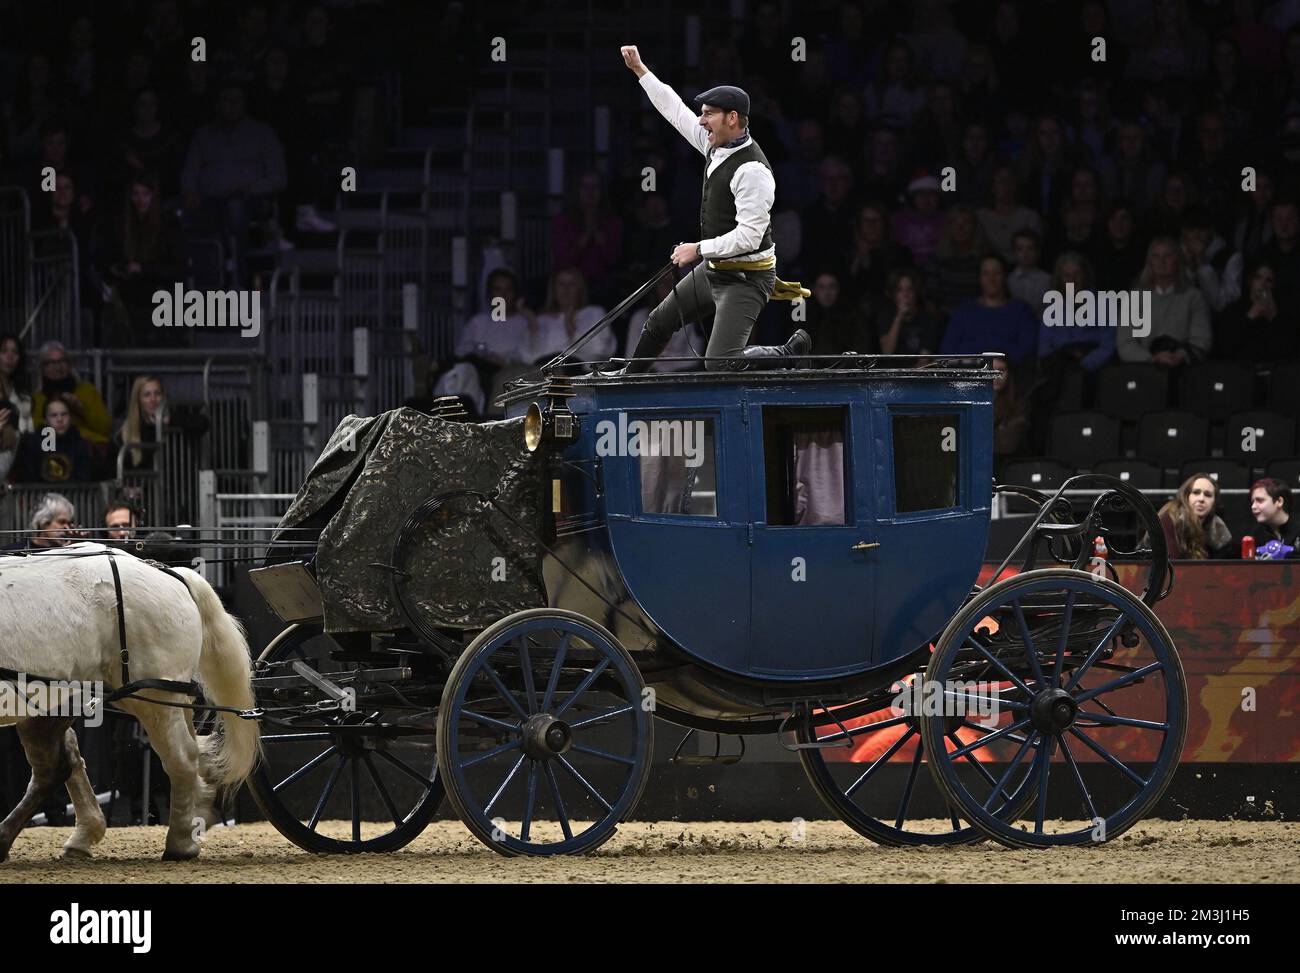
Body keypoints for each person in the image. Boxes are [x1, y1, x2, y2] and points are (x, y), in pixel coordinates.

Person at [614, 45, 809, 372]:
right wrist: (640, 71)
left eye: (708, 114)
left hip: (747, 277)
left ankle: (788, 353)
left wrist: (698, 249)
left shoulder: (752, 172)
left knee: (718, 364)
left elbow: (748, 237)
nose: (701, 121)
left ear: (732, 119)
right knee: (658, 322)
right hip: (717, 269)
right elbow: (675, 110)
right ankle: (626, 380)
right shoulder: (714, 143)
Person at [1117, 237, 1211, 366]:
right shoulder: (1134, 298)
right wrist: (1153, 358)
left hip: (1184, 369)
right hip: (1144, 369)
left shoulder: (1194, 297)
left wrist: (1179, 356)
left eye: (1167, 256)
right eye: (1155, 256)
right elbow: (1125, 343)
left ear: (1177, 261)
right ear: (1149, 262)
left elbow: (1201, 340)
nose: (1161, 261)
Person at [115, 374, 209, 472]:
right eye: (147, 395)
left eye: (157, 394)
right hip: (148, 486)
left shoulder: (175, 417)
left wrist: (170, 421)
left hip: (179, 483)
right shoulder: (128, 431)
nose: (153, 399)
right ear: (138, 400)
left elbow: (203, 423)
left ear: (164, 396)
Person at [526, 267, 613, 365]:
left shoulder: (594, 313)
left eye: (572, 284)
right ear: (554, 290)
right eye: (561, 284)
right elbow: (530, 357)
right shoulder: (541, 319)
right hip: (545, 374)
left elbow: (600, 351)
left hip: (581, 373)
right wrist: (533, 326)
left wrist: (571, 327)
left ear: (580, 289)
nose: (566, 289)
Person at [31, 340, 112, 445]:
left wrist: (81, 408)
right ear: (42, 368)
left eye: (62, 361)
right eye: (51, 363)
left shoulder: (86, 390)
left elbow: (106, 428)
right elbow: (36, 429)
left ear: (69, 365)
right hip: (55, 449)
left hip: (89, 447)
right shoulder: (38, 398)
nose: (57, 367)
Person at [1215, 261, 1295, 362]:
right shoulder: (1233, 310)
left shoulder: (1282, 313)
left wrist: (1274, 317)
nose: (1263, 284)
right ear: (1250, 281)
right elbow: (1226, 346)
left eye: (1268, 280)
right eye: (1258, 278)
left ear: (1273, 286)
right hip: (1239, 370)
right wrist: (1250, 316)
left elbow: (1288, 349)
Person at [12, 396, 96, 484]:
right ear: (45, 420)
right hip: (38, 496)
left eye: (64, 414)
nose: (60, 419)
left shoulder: (80, 444)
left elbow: (82, 481)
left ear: (70, 418)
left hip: (72, 496)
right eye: (54, 415)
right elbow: (29, 481)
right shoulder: (32, 443)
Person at [1155, 474, 1234, 559]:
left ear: (1214, 502)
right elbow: (1172, 562)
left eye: (1208, 495)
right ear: (1186, 496)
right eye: (1196, 492)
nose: (1201, 499)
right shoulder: (1170, 519)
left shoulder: (1218, 527)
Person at [875, 268, 942, 356]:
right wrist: (899, 317)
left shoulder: (928, 318)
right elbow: (887, 352)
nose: (905, 295)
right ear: (893, 294)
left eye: (909, 289)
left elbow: (924, 360)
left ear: (916, 292)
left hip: (917, 368)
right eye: (899, 290)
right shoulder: (886, 316)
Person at [0, 492, 78, 551]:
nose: (67, 528)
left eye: (69, 523)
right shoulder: (13, 552)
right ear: (44, 521)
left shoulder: (68, 551)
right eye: (61, 522)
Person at [1248, 478, 1299, 559]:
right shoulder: (1255, 535)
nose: (1253, 507)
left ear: (1279, 501)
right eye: (1252, 502)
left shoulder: (1298, 530)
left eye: (1260, 500)